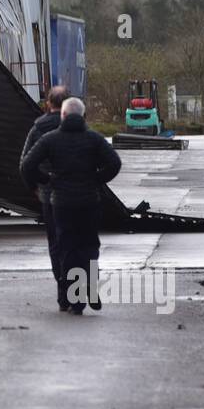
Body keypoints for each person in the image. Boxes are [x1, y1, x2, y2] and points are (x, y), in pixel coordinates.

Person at [20, 97, 122, 314]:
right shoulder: (94, 139)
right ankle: (91, 287)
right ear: (83, 116)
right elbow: (115, 163)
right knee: (89, 246)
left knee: (67, 248)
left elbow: (27, 165)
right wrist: (97, 179)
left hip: (62, 203)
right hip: (89, 201)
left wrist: (46, 180)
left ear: (63, 116)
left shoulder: (50, 139)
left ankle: (74, 300)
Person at [19, 85, 69, 305]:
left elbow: (25, 164)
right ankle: (83, 286)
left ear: (49, 104)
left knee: (56, 244)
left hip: (50, 196)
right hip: (82, 197)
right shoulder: (81, 128)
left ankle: (63, 291)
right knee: (83, 242)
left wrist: (38, 184)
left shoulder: (37, 129)